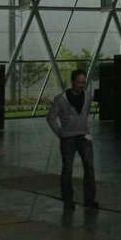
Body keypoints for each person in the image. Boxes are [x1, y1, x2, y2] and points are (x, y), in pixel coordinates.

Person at [46, 69, 98, 210]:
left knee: (89, 167)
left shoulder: (87, 97)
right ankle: (68, 200)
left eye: (84, 82)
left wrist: (84, 128)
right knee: (68, 169)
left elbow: (85, 113)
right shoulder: (61, 99)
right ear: (73, 82)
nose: (82, 85)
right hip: (68, 139)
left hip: (84, 137)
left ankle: (90, 200)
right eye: (79, 82)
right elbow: (50, 117)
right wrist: (60, 133)